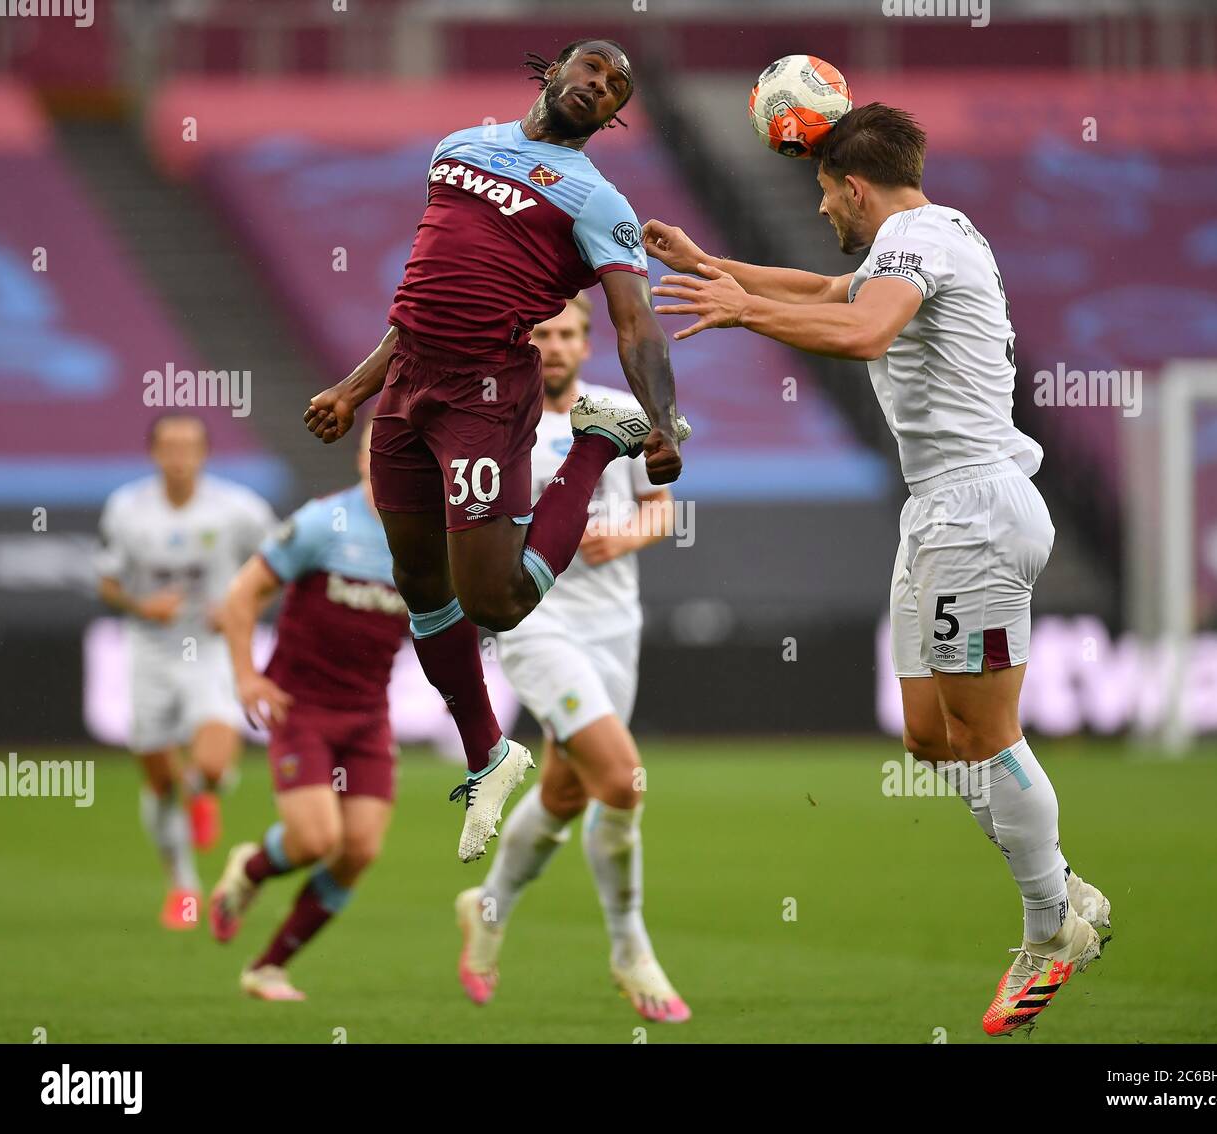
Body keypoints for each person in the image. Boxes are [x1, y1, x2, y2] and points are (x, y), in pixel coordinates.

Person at [645, 102, 1111, 1036]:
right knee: (930, 738)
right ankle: (1060, 892)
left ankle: (1049, 924)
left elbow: (863, 333)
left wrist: (743, 313)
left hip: (973, 510)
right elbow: (833, 296)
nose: (822, 209)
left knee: (984, 735)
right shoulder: (921, 239)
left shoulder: (917, 239)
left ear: (855, 187)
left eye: (824, 193)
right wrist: (713, 269)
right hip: (940, 510)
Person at [304, 37, 689, 864]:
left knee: (498, 604)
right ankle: (488, 756)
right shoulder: (459, 147)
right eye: (590, 67)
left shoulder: (597, 197)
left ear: (615, 115)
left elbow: (636, 323)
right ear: (552, 71)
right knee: (418, 582)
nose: (599, 85)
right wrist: (353, 388)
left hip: (485, 392)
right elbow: (424, 298)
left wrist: (662, 417)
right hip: (409, 382)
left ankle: (594, 442)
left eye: (616, 86)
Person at [455, 293, 689, 1022]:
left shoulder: (620, 411)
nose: (553, 347)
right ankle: (630, 947)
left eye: (567, 334)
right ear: (522, 343)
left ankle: (487, 908)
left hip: (613, 625)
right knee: (622, 781)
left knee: (564, 794)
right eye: (541, 335)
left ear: (588, 342)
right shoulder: (494, 422)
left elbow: (665, 505)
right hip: (535, 625)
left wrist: (627, 536)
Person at [209, 425, 405, 1001]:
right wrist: (247, 676)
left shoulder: (429, 538)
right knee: (317, 840)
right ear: (363, 457)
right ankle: (250, 870)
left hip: (369, 715)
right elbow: (242, 595)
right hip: (303, 709)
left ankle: (267, 967)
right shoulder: (324, 523)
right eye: (382, 449)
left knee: (360, 850)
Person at [96, 413, 275, 929]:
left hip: (212, 648)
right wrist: (139, 603)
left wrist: (240, 607)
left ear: (204, 452)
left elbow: (281, 566)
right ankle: (183, 887)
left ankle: (206, 788)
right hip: (150, 652)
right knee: (157, 780)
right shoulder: (127, 510)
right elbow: (107, 581)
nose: (179, 456)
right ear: (154, 453)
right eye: (169, 447)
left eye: (189, 446)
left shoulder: (239, 509)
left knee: (215, 764)